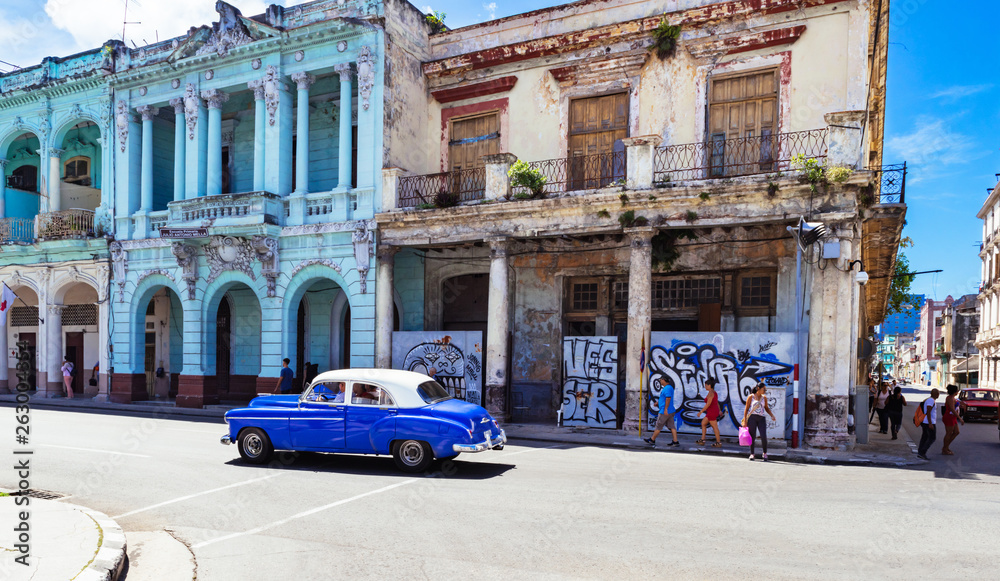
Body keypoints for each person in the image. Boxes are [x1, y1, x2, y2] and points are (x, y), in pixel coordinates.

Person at [742, 382, 777, 461]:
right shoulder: (751, 397)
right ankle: (752, 454)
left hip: (761, 418)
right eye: (764, 389)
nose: (765, 390)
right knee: (752, 436)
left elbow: (766, 408)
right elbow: (746, 409)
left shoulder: (764, 397)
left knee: (763, 436)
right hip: (752, 418)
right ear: (758, 389)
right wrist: (745, 421)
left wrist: (772, 415)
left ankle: (764, 453)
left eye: (765, 389)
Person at [643, 378, 679, 448]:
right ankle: (675, 441)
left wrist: (665, 409)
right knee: (672, 426)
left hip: (664, 411)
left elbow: (668, 398)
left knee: (658, 426)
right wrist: (658, 403)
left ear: (663, 380)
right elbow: (665, 398)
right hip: (671, 410)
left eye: (660, 380)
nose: (660, 381)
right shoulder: (669, 387)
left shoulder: (667, 388)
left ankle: (652, 439)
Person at [697, 378, 722, 447]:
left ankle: (718, 442)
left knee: (715, 427)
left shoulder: (711, 393)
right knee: (703, 423)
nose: (705, 387)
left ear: (709, 385)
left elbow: (708, 404)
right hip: (712, 411)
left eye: (706, 385)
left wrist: (701, 412)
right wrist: (719, 410)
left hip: (712, 412)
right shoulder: (713, 392)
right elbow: (716, 403)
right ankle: (702, 440)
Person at [940, 384, 965, 455]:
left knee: (956, 432)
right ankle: (945, 449)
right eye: (957, 390)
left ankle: (946, 446)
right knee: (949, 433)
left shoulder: (953, 398)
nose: (958, 391)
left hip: (953, 417)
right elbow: (952, 409)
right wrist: (960, 418)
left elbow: (955, 406)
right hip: (949, 417)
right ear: (955, 391)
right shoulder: (950, 398)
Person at [916, 388, 939, 460]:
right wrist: (930, 423)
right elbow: (928, 412)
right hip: (928, 422)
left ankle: (920, 452)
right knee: (932, 438)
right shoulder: (931, 400)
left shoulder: (930, 400)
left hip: (926, 422)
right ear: (934, 394)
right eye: (938, 393)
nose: (938, 395)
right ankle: (923, 452)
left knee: (925, 437)